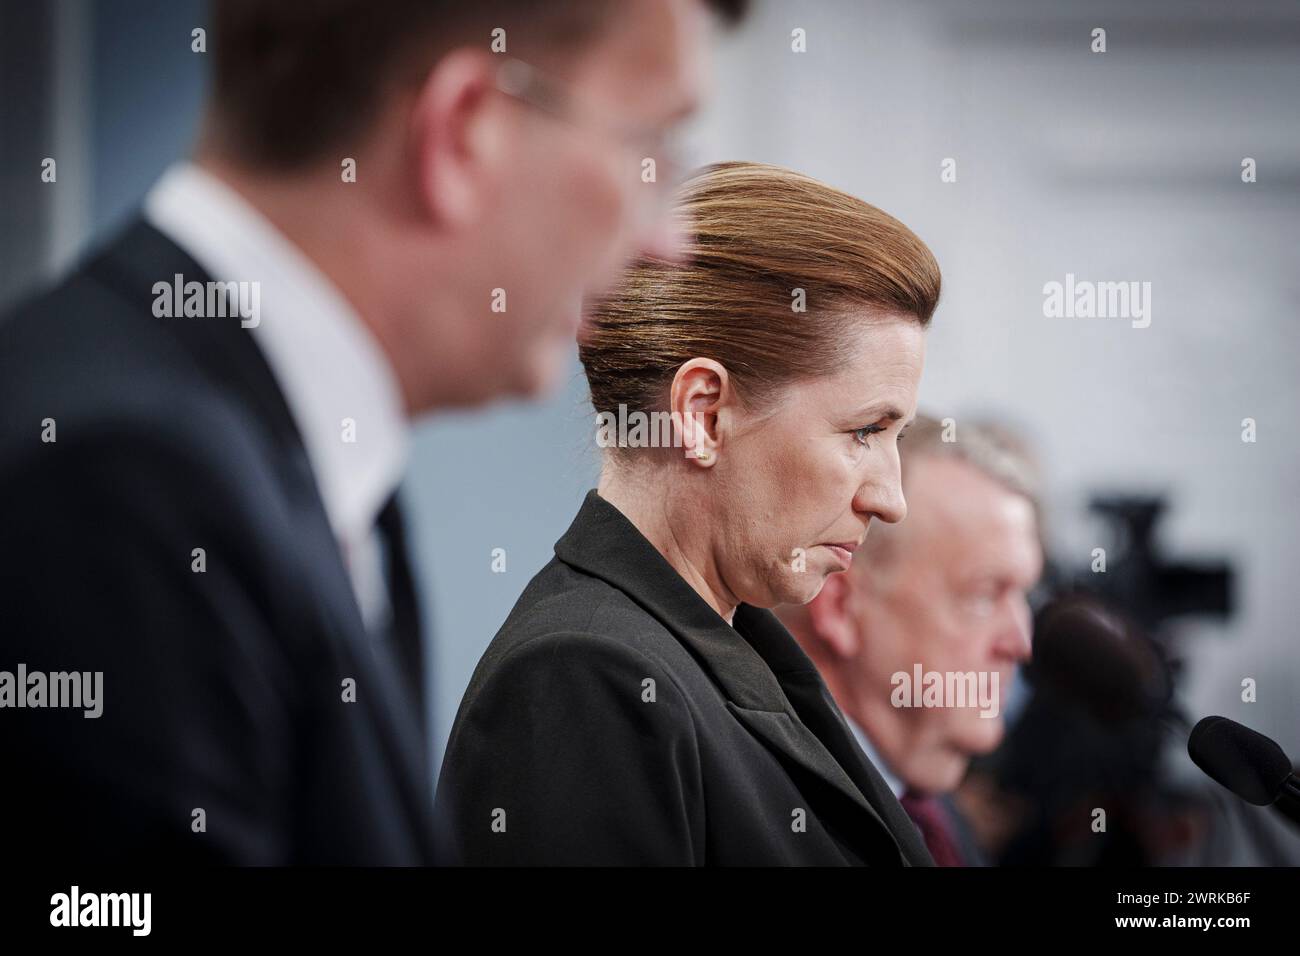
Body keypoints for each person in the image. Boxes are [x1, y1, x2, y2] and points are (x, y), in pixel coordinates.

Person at [0, 0, 743, 864]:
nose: (670, 239)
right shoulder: (126, 486)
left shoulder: (302, 472)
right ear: (464, 133)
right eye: (648, 146)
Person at [435, 161, 942, 865]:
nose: (890, 497)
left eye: (899, 438)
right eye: (864, 432)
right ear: (702, 414)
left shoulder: (731, 648)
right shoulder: (583, 681)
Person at [776, 415, 1043, 865]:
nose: (1020, 643)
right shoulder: (770, 824)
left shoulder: (934, 816)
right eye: (983, 595)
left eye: (1024, 595)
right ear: (840, 607)